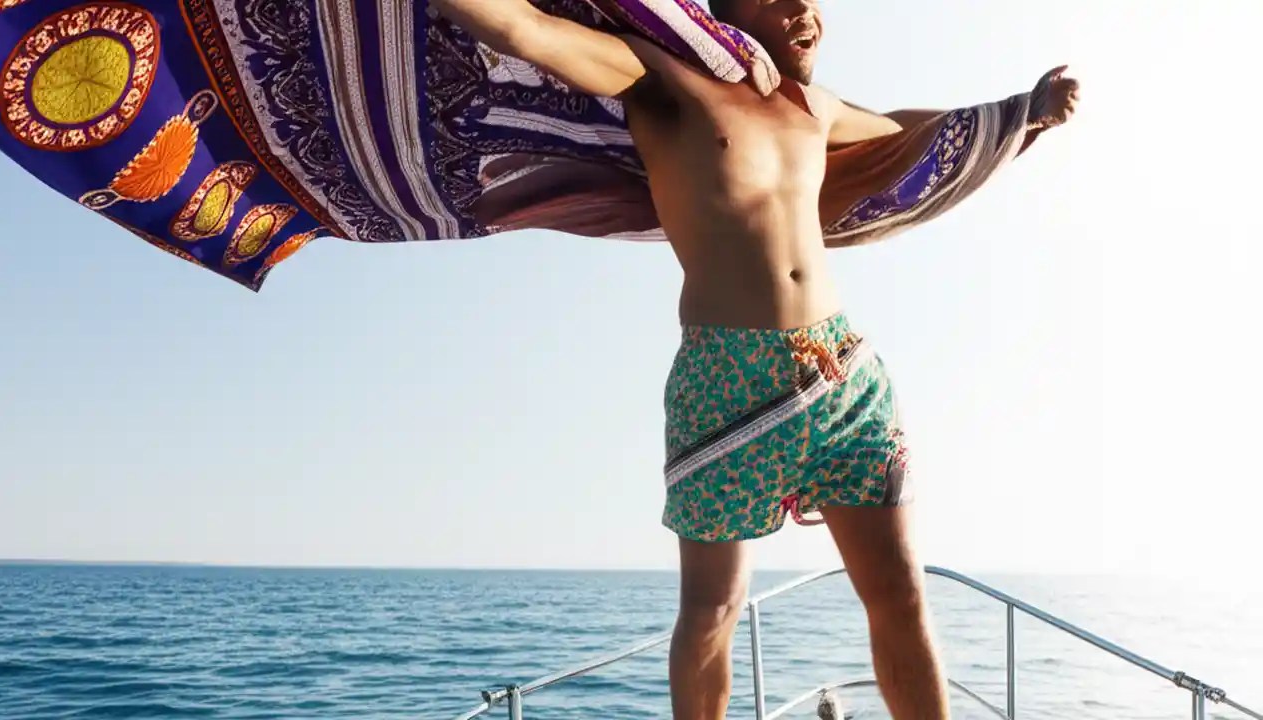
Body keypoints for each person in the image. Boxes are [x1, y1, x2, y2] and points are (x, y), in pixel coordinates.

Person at [428, 1, 1080, 718]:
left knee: (899, 592)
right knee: (714, 608)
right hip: (724, 383)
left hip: (842, 375)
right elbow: (524, 30)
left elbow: (911, 131)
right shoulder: (660, 80)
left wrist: (1029, 111)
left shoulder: (812, 107)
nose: (804, 11)